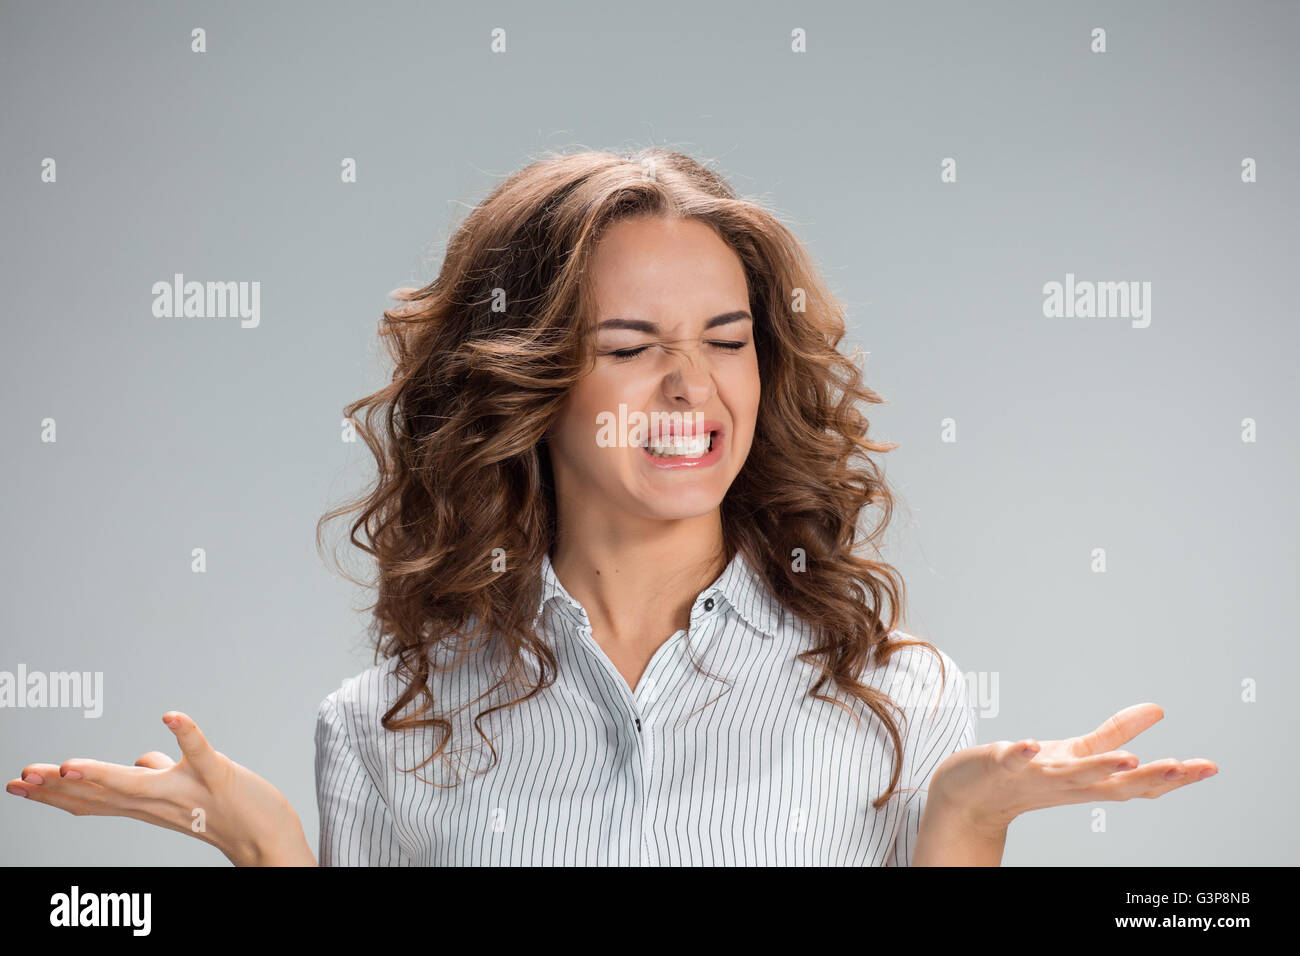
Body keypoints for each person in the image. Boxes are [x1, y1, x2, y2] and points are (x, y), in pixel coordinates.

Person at [6, 148, 1217, 866]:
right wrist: (270, 851)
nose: (691, 388)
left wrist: (962, 822)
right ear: (527, 379)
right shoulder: (381, 723)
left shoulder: (904, 701)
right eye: (631, 344)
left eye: (726, 339)